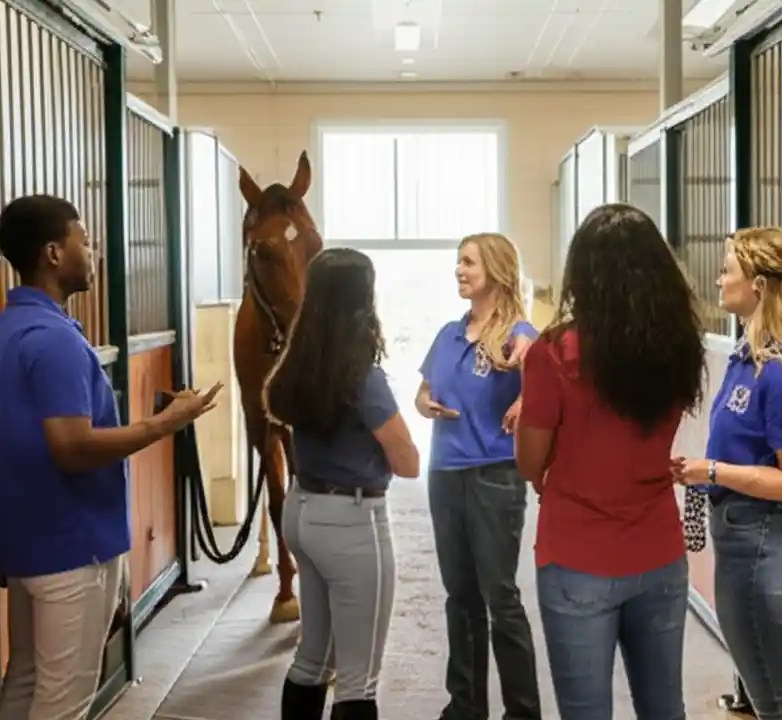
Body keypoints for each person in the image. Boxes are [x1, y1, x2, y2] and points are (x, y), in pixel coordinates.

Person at [0, 195, 220, 719]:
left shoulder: (5, 330)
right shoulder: (52, 339)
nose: (92, 253)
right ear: (52, 252)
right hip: (71, 546)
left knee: (24, 681)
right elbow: (71, 446)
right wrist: (164, 424)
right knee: (64, 700)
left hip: (27, 543)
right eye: (83, 241)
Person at [515, 204, 705, 720]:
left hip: (577, 551)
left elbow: (529, 459)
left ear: (583, 272)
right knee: (665, 707)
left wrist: (554, 477)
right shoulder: (678, 346)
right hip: (659, 551)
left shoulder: (554, 353)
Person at [671, 226, 782, 720]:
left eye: (728, 271)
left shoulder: (781, 372)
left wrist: (713, 471)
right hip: (762, 538)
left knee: (781, 707)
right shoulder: (751, 357)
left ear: (759, 285)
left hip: (769, 540)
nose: (718, 281)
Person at [266, 248, 421, 720]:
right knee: (358, 677)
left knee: (311, 658)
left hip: (302, 511)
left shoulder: (297, 366)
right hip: (352, 523)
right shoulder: (362, 375)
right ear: (363, 301)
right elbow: (409, 461)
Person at [415, 232, 541, 720]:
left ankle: (522, 711)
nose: (459, 271)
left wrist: (527, 398)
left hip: (494, 475)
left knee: (500, 596)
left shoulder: (520, 335)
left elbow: (549, 393)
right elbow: (422, 393)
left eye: (468, 263)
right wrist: (426, 405)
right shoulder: (448, 333)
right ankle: (465, 706)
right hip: (444, 473)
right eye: (458, 262)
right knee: (459, 596)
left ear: (496, 270)